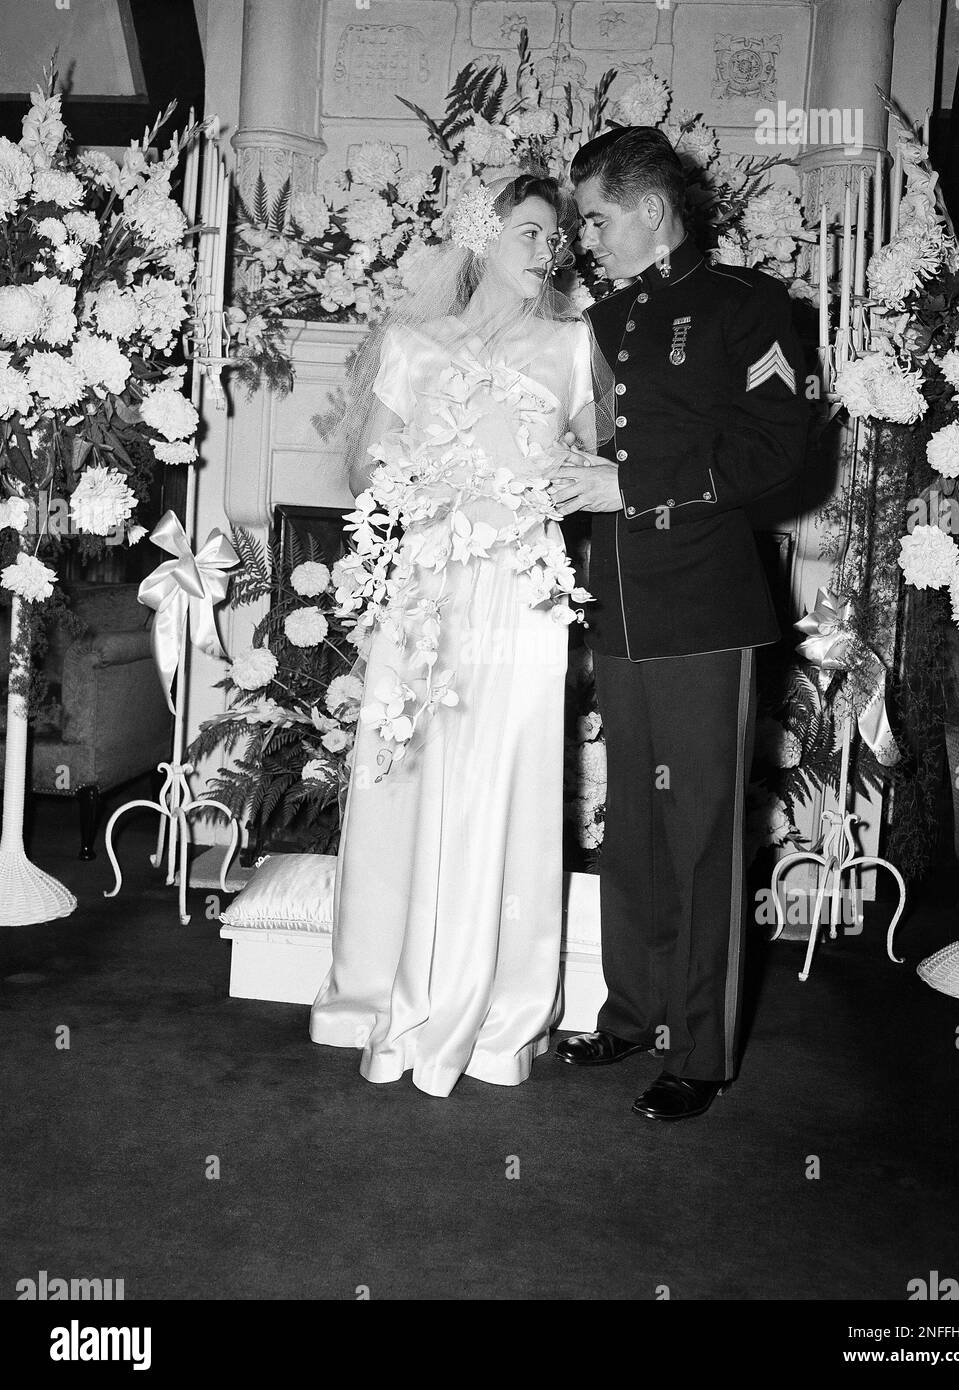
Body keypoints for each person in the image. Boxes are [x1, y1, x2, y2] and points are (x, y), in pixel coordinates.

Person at [309, 172, 614, 1098]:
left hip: (522, 591)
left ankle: (500, 1001)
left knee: (505, 782)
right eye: (530, 232)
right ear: (483, 237)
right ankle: (384, 984)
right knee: (407, 775)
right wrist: (428, 477)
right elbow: (365, 472)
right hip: (429, 588)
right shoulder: (414, 342)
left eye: (555, 238)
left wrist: (539, 483)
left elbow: (602, 464)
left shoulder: (572, 344)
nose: (547, 252)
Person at [551, 127, 810, 1121]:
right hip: (618, 601)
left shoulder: (750, 307)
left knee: (701, 833)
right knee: (634, 826)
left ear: (650, 210)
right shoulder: (604, 317)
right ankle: (631, 1011)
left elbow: (775, 452)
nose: (586, 239)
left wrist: (631, 485)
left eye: (596, 219)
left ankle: (700, 1049)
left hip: (704, 608)